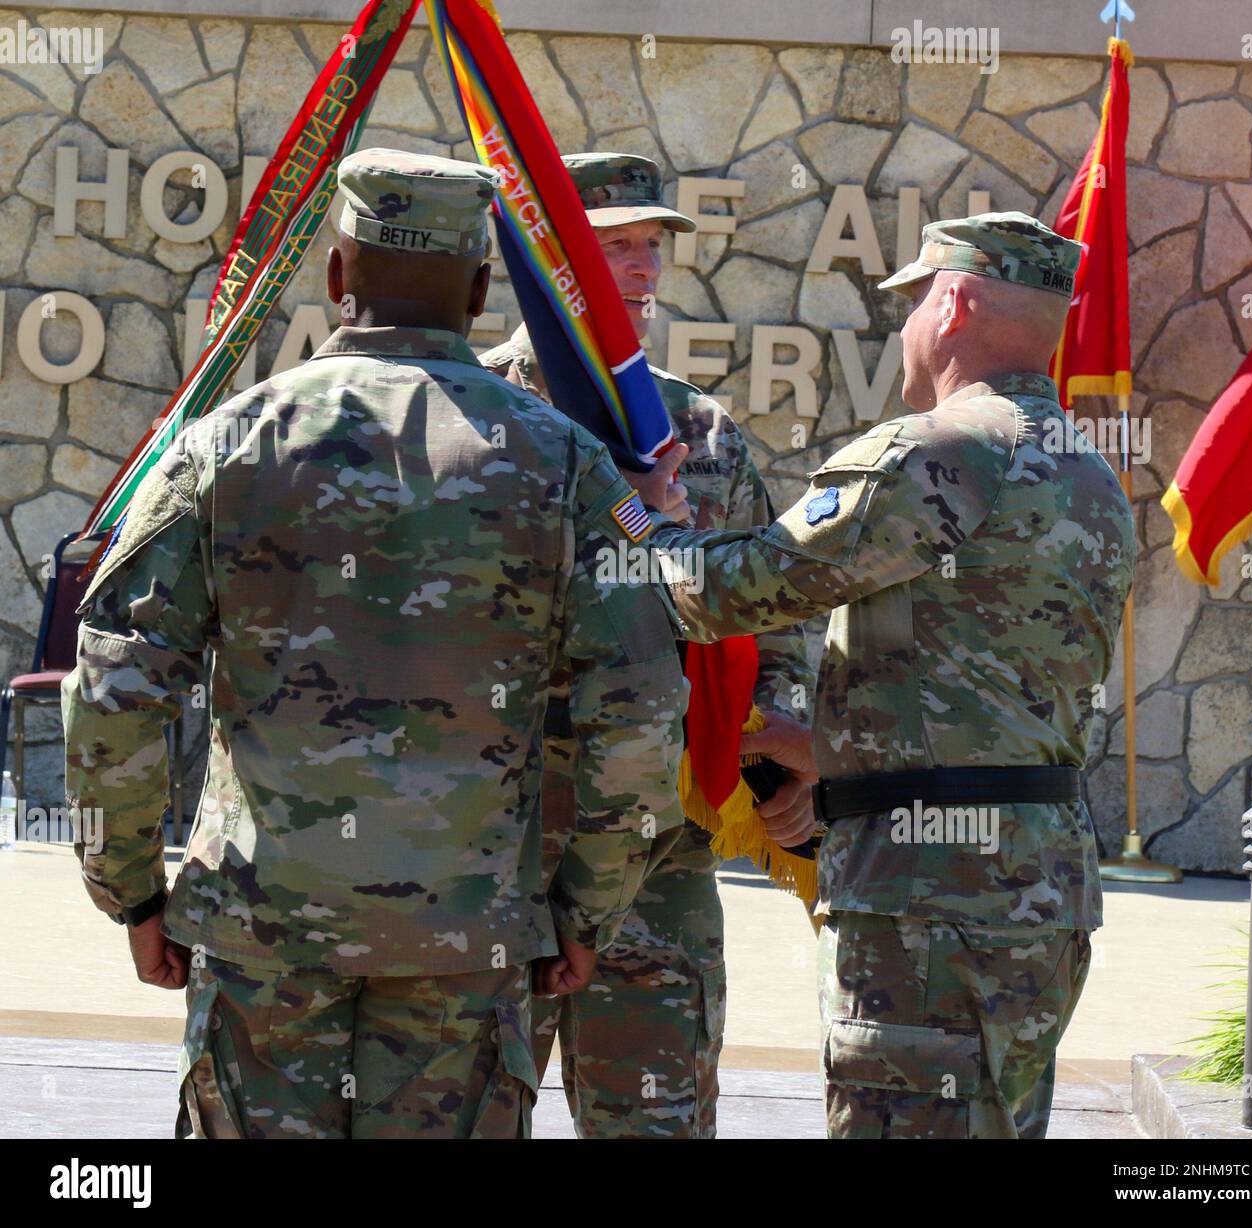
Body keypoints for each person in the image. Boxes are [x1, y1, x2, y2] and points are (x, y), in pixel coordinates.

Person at [61, 150, 686, 1140]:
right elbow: (641, 702)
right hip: (465, 946)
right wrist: (585, 909)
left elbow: (117, 686)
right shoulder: (564, 463)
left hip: (264, 939)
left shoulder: (227, 444)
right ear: (478, 292)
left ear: (337, 275)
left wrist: (131, 894)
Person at [636, 213, 1137, 1139]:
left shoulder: (938, 453)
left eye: (911, 303)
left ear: (954, 306)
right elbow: (984, 695)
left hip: (928, 900)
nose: (902, 327)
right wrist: (824, 746)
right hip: (1037, 883)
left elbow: (732, 592)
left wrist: (642, 520)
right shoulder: (1089, 473)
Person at [479, 151, 815, 1139]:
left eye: (651, 246)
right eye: (614, 246)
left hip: (656, 849)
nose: (642, 268)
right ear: (552, 263)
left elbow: (764, 611)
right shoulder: (472, 411)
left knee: (655, 1122)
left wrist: (780, 756)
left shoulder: (697, 429)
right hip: (493, 842)